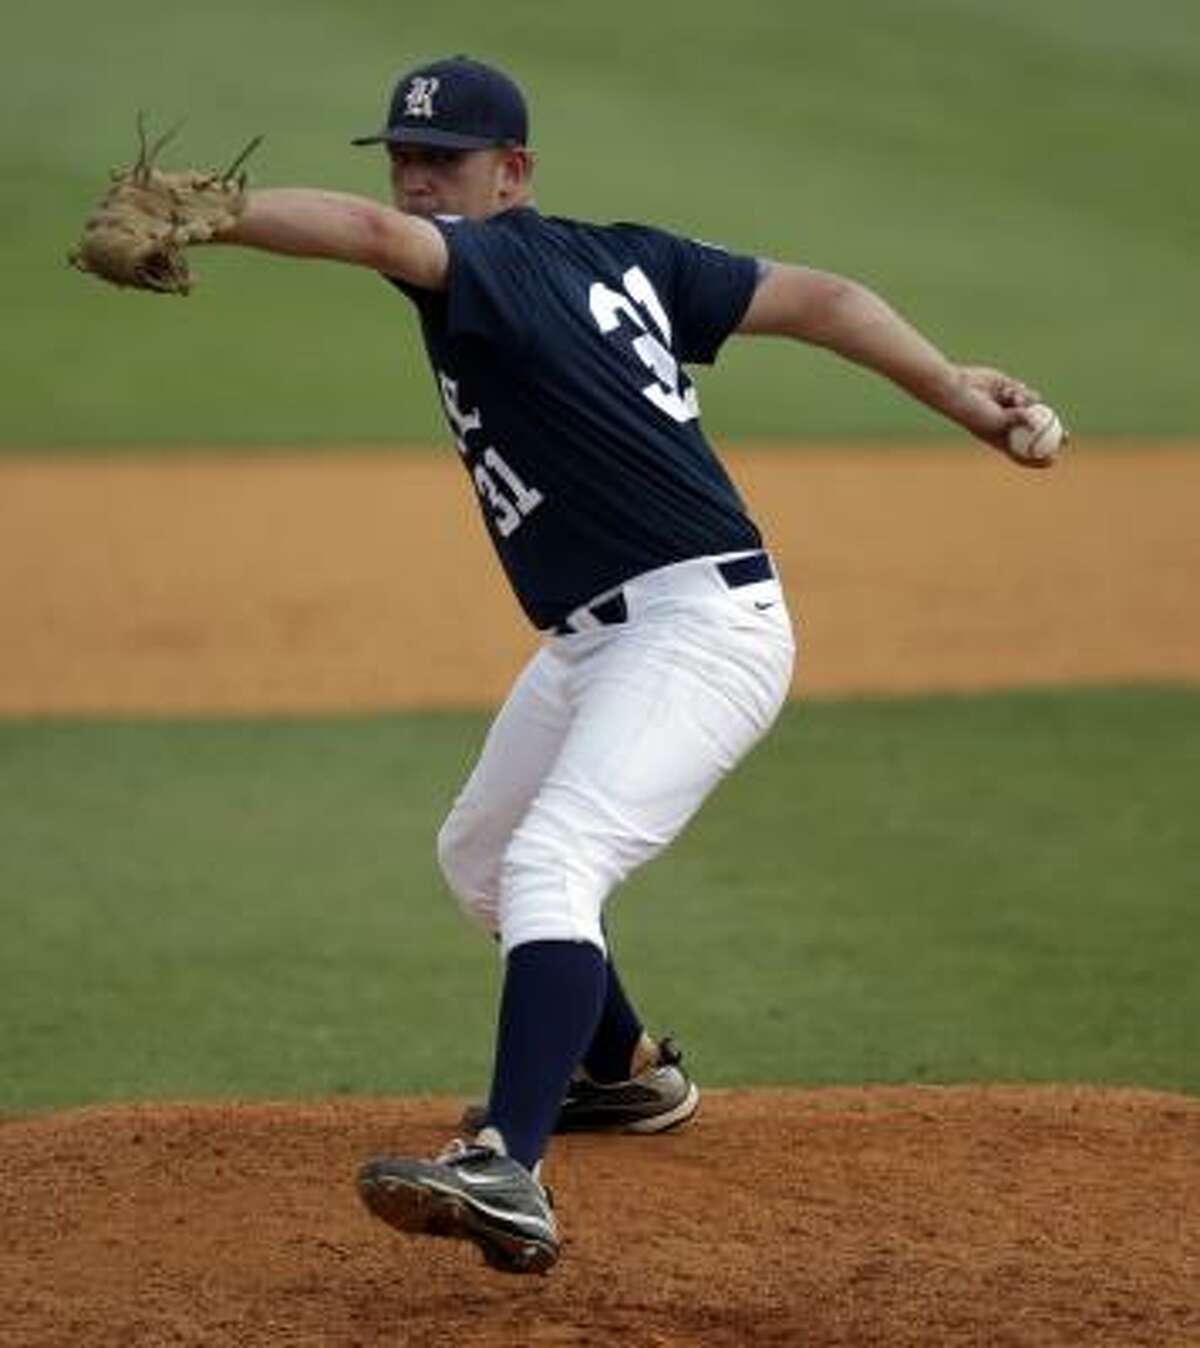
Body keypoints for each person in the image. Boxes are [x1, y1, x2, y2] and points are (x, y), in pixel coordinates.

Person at [216, 55, 1053, 1274]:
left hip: (698, 630)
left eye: (442, 163)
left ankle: (512, 1163)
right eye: (403, 159)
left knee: (557, 854)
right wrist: (954, 387)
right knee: (485, 857)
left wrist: (220, 212)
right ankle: (619, 1074)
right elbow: (821, 295)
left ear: (514, 174)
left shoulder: (488, 259)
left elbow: (356, 234)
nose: (416, 185)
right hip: (603, 637)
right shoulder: (628, 255)